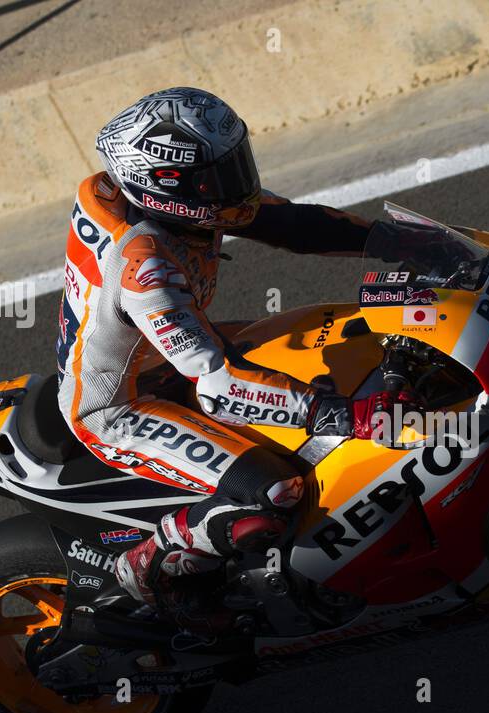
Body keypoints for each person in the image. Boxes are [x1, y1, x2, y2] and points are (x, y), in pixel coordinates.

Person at [56, 87, 415, 631]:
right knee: (274, 490)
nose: (237, 185)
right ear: (165, 186)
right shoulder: (143, 268)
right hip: (119, 406)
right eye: (216, 177)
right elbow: (219, 385)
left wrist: (402, 242)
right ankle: (149, 570)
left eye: (235, 162)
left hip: (167, 355)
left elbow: (295, 225)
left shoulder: (166, 200)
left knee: (342, 343)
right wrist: (342, 414)